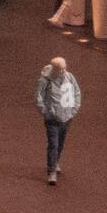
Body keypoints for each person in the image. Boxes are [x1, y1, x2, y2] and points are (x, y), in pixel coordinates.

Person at [35, 56, 81, 186]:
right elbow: (39, 97)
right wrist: (46, 113)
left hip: (67, 118)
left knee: (61, 143)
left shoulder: (70, 77)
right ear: (54, 69)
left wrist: (73, 110)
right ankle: (51, 171)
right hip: (52, 120)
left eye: (64, 68)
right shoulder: (45, 80)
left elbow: (77, 92)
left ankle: (55, 162)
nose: (63, 71)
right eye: (60, 70)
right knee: (53, 144)